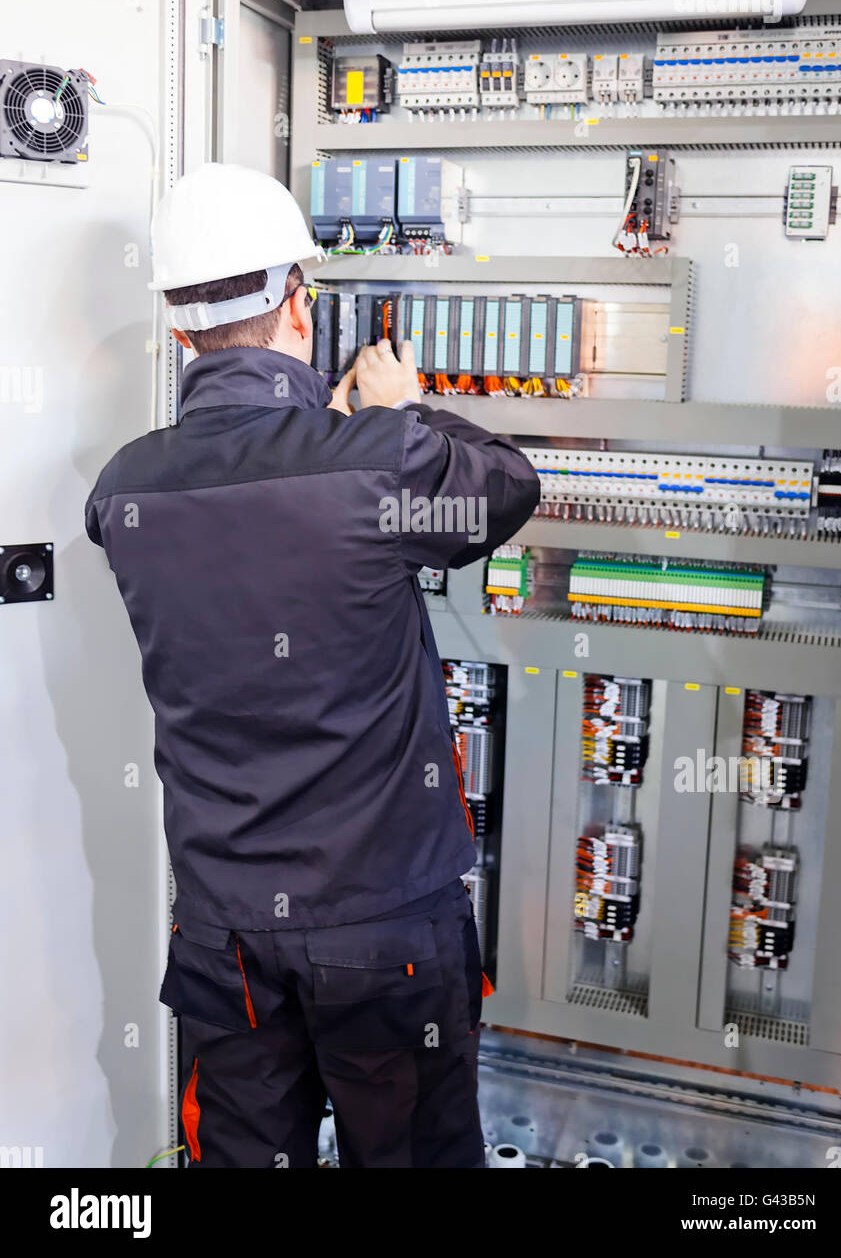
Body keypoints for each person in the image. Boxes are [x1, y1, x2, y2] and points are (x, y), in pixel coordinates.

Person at [85, 162, 539, 1169]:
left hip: (225, 934)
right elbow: (505, 491)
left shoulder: (124, 491)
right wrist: (407, 409)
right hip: (384, 932)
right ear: (300, 304)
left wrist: (344, 440)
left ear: (174, 323)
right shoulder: (376, 461)